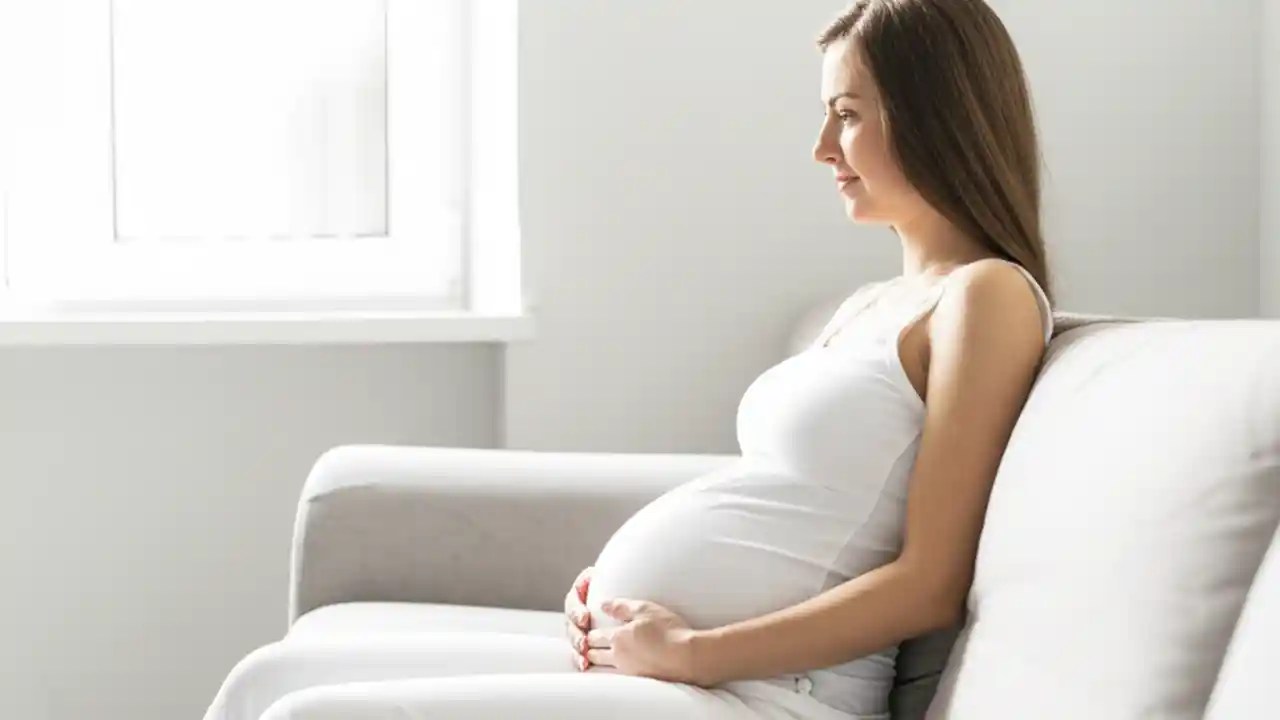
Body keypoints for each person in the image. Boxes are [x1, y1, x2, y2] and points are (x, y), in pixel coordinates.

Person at [203, 1, 1054, 718]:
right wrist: (617, 594)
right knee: (265, 681)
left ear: (937, 114)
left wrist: (693, 649)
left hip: (773, 695)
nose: (821, 148)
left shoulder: (987, 297)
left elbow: (930, 581)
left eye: (848, 114)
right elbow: (792, 510)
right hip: (679, 669)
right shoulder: (872, 304)